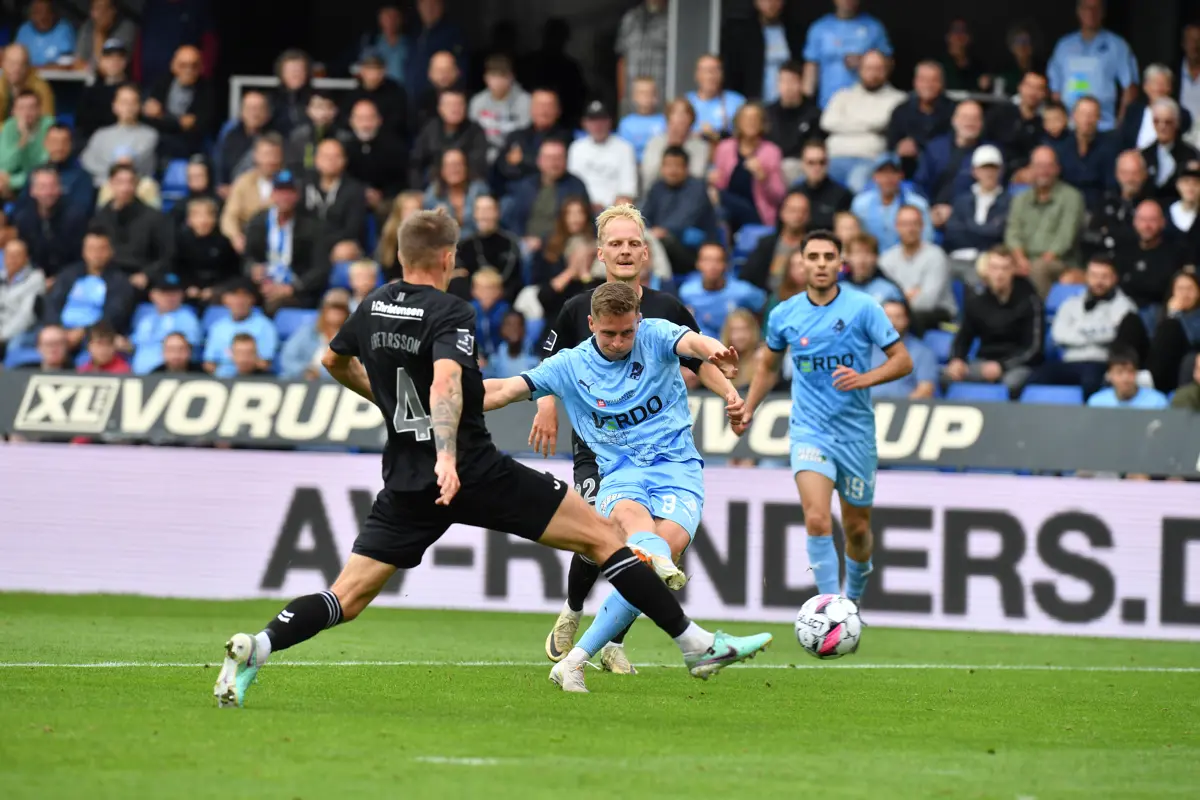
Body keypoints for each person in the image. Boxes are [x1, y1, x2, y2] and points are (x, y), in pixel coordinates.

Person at [214, 210, 772, 706]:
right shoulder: (451, 310)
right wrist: (450, 454)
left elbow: (334, 362)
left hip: (407, 480)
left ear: (401, 255)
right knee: (605, 539)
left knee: (347, 596)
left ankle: (259, 647)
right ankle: (696, 645)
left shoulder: (373, 303)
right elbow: (449, 385)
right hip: (473, 470)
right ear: (449, 257)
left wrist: (387, 402)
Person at [490, 280, 750, 689]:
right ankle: (688, 630)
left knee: (657, 555)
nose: (617, 342)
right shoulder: (570, 364)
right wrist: (453, 395)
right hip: (620, 470)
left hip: (677, 466)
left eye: (626, 332)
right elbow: (506, 389)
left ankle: (573, 661)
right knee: (638, 535)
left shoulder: (657, 334)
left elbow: (697, 345)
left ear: (638, 321)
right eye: (608, 333)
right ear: (592, 323)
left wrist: (715, 352)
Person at [531, 204, 747, 669]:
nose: (625, 251)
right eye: (616, 244)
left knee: (648, 547)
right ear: (600, 253)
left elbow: (700, 359)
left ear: (645, 253)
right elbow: (545, 369)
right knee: (597, 532)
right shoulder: (576, 309)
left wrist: (730, 391)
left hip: (659, 453)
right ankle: (572, 611)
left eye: (633, 243)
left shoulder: (666, 310)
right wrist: (547, 406)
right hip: (601, 447)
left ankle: (613, 641)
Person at [741, 230, 912, 612]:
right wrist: (749, 407)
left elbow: (903, 360)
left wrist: (865, 378)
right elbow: (767, 366)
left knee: (857, 529)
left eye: (828, 257)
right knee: (817, 518)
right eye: (813, 256)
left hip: (856, 434)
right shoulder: (784, 313)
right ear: (801, 263)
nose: (820, 264)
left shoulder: (864, 307)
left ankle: (854, 597)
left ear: (841, 262)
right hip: (810, 431)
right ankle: (832, 608)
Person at [1030, 255, 1137, 398]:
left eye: (1105, 276)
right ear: (1086, 277)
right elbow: (1058, 335)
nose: (1099, 281)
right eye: (1094, 276)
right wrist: (1096, 333)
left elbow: (1114, 335)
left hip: (1101, 362)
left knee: (1091, 381)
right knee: (1034, 379)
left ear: (1114, 278)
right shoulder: (1070, 303)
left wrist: (1078, 330)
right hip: (1069, 361)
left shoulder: (1125, 306)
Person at [944, 246, 1044, 396]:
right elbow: (963, 337)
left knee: (1011, 383)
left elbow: (1034, 349)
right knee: (947, 377)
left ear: (1013, 271)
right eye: (994, 268)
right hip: (984, 361)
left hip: (1017, 365)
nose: (999, 274)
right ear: (987, 271)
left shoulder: (1030, 301)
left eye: (1005, 268)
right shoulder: (977, 301)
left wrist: (1001, 366)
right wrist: (957, 359)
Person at [1004, 145, 1086, 296]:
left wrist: (1032, 264)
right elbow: (1012, 232)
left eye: (1049, 166)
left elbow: (1065, 238)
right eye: (1039, 166)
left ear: (1057, 169)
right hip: (1025, 259)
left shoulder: (1072, 197)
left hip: (1060, 262)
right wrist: (1021, 259)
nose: (1044, 171)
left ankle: (1037, 315)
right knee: (993, 262)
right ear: (1031, 169)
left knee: (1039, 268)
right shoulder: (1020, 199)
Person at [820, 50, 906, 192]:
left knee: (857, 182)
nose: (873, 74)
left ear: (887, 71)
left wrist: (844, 124)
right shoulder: (843, 95)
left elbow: (882, 122)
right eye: (868, 68)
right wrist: (869, 126)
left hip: (869, 160)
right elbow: (827, 123)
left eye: (878, 69)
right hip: (833, 157)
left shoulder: (897, 99)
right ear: (860, 70)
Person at [1047, 0, 1137, 132]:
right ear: (1078, 11)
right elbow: (1055, 89)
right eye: (1086, 8)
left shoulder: (1117, 45)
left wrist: (1121, 124)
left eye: (1096, 8)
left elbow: (1130, 87)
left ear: (1103, 13)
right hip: (1068, 128)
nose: (1091, 13)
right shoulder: (1064, 46)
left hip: (1104, 127)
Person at [244, 170, 328, 310]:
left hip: (296, 289)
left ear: (297, 195)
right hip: (263, 285)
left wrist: (292, 288)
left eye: (289, 192)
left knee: (273, 306)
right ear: (272, 194)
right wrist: (253, 269)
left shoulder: (312, 227)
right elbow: (248, 257)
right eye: (280, 192)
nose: (285, 197)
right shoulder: (258, 222)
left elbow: (321, 268)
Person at [42, 226, 135, 349]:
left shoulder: (120, 282)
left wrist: (83, 332)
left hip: (96, 336)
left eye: (101, 249)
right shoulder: (68, 275)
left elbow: (114, 315)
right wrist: (58, 330)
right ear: (83, 251)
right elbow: (53, 303)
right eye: (91, 249)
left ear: (111, 251)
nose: (96, 254)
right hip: (61, 333)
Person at [92, 163, 175, 290]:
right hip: (106, 278)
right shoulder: (100, 217)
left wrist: (147, 275)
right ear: (110, 183)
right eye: (120, 182)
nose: (125, 188)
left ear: (136, 184)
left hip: (140, 280)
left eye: (130, 182)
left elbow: (167, 255)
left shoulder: (154, 218)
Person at [639, 145, 718, 274]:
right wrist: (648, 232)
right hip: (659, 243)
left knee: (662, 243)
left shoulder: (697, 188)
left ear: (686, 168)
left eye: (677, 166)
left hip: (692, 251)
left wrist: (663, 231)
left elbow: (685, 219)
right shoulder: (657, 187)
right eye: (668, 166)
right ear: (662, 168)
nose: (672, 171)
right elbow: (644, 217)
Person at [710, 102, 787, 230]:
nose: (750, 122)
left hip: (757, 213)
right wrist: (713, 180)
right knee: (718, 204)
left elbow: (779, 196)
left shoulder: (772, 152)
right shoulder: (725, 148)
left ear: (762, 123)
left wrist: (764, 178)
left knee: (718, 195)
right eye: (746, 119)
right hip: (728, 212)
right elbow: (720, 186)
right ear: (738, 123)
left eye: (755, 119)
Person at [802, 0, 892, 110]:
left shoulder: (874, 28)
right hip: (827, 105)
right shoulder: (819, 28)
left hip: (865, 105)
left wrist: (864, 62)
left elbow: (888, 63)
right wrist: (805, 103)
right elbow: (811, 68)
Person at [878, 205, 956, 332]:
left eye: (914, 223)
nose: (910, 229)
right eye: (904, 224)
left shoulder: (936, 256)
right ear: (896, 227)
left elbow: (927, 302)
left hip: (937, 314)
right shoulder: (886, 258)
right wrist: (909, 295)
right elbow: (883, 297)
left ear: (922, 226)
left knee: (910, 319)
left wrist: (901, 300)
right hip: (898, 314)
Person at [678, 242, 768, 339]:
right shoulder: (686, 292)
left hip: (734, 346)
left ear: (725, 265)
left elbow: (765, 307)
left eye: (718, 260)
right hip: (702, 347)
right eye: (707, 260)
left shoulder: (743, 291)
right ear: (698, 264)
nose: (713, 266)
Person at [914, 99, 989, 211]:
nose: (970, 122)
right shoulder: (935, 148)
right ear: (954, 120)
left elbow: (990, 193)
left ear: (981, 123)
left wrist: (956, 213)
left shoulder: (989, 153)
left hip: (970, 218)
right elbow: (920, 185)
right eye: (965, 117)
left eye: (975, 118)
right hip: (932, 214)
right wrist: (931, 211)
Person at [722, 0, 804, 102]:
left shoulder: (794, 32)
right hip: (754, 103)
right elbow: (733, 73)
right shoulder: (742, 33)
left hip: (786, 104)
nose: (770, 4)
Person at [14, 166, 88, 279]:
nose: (48, 192)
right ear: (32, 191)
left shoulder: (75, 217)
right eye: (42, 187)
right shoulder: (24, 219)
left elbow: (80, 258)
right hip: (35, 278)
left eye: (52, 186)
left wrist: (57, 280)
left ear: (60, 189)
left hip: (69, 277)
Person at [141, 45, 213, 159]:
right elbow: (149, 119)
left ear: (201, 68)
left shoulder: (207, 91)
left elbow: (199, 126)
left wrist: (161, 116)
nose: (188, 70)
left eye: (193, 66)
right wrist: (179, 123)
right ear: (173, 66)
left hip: (189, 148)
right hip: (158, 144)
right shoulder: (161, 84)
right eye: (183, 65)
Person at [1115, 199, 1190, 309]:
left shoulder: (1176, 253)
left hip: (1157, 309)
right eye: (1142, 220)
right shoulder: (1124, 248)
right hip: (1122, 306)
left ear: (1162, 222)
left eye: (1152, 220)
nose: (1146, 226)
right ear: (1135, 222)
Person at [943, 145, 1012, 264]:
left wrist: (970, 229)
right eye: (984, 168)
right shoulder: (961, 201)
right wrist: (985, 233)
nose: (989, 173)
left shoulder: (1009, 202)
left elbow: (1000, 235)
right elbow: (953, 234)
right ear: (974, 171)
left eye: (993, 168)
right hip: (959, 258)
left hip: (992, 261)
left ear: (1001, 171)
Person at [79, 84, 158, 187]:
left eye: (133, 103)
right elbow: (88, 162)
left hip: (137, 187)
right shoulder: (100, 135)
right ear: (115, 106)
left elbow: (141, 164)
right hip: (104, 186)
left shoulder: (150, 135)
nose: (128, 107)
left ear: (139, 106)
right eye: (124, 102)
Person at [886, 61, 954, 179]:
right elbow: (891, 144)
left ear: (941, 84)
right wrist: (900, 147)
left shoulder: (953, 110)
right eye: (923, 80)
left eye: (934, 80)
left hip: (942, 166)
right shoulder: (901, 111)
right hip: (909, 167)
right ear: (915, 82)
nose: (928, 85)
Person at [852, 154, 932, 253]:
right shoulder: (860, 204)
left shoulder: (918, 204)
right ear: (875, 177)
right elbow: (855, 238)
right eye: (883, 173)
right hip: (870, 260)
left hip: (907, 257)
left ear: (901, 175)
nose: (888, 178)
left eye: (893, 172)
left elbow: (927, 238)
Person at [569, 101, 638, 212]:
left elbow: (628, 189)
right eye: (593, 121)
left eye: (602, 120)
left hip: (614, 210)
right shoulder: (576, 148)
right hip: (584, 209)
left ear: (609, 122)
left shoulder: (625, 148)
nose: (598, 125)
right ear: (585, 123)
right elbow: (573, 184)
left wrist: (610, 207)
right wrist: (588, 205)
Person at [220, 134, 285, 253]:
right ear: (256, 156)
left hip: (283, 243)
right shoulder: (243, 182)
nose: (270, 160)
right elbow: (229, 216)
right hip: (250, 243)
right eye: (265, 155)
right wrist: (235, 236)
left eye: (274, 155)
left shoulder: (289, 182)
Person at [1053, 95, 1119, 211]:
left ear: (1099, 118)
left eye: (1092, 115)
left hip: (1096, 210)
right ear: (1073, 117)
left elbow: (1111, 186)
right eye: (1083, 114)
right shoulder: (1061, 147)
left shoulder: (1109, 148)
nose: (1087, 120)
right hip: (1064, 208)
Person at [129, 272, 203, 374]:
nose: (170, 297)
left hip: (166, 375)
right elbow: (135, 344)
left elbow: (190, 354)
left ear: (182, 295)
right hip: (137, 376)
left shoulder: (188, 318)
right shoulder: (145, 315)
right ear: (153, 294)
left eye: (174, 293)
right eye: (165, 293)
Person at [202, 279, 278, 377]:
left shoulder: (265, 326)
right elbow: (208, 363)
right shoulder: (217, 327)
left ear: (252, 299)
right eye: (234, 296)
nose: (239, 301)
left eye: (244, 296)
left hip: (253, 378)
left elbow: (265, 364)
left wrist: (242, 363)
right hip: (221, 379)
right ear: (225, 299)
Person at [984, 71, 1048, 183]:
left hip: (1026, 180)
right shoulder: (999, 113)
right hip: (994, 171)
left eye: (1039, 88)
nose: (1033, 92)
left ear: (1044, 93)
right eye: (1029, 86)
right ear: (1020, 87)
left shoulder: (1044, 123)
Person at [454, 194, 521, 301]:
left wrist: (490, 291)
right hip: (470, 302)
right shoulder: (464, 246)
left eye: (488, 209)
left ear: (497, 213)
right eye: (479, 209)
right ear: (474, 214)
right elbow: (460, 278)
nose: (483, 214)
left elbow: (512, 281)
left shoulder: (510, 244)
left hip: (503, 301)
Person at [172, 197, 238, 304]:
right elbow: (176, 269)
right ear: (189, 219)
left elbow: (232, 272)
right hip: (187, 291)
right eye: (197, 215)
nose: (203, 220)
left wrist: (215, 289)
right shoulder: (180, 241)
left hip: (217, 291)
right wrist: (187, 287)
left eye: (208, 215)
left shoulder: (224, 242)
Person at [741, 189, 810, 292]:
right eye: (793, 210)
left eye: (802, 211)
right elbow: (747, 276)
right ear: (782, 213)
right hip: (769, 300)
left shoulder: (814, 246)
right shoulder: (766, 244)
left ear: (808, 216)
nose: (797, 216)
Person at [469, 54, 531, 165]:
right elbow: (472, 133)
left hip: (513, 153)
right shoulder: (477, 101)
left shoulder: (525, 101)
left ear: (511, 77)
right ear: (486, 78)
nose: (497, 81)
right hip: (484, 154)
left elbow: (526, 134)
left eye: (502, 76)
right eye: (493, 76)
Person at [870, 300, 937, 399]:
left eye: (898, 317)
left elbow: (925, 390)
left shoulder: (922, 353)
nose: (892, 322)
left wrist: (901, 410)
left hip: (902, 410)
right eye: (887, 317)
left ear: (907, 320)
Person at [639, 97, 709, 192]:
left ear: (691, 119)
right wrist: (670, 145)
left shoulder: (701, 146)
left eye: (685, 113)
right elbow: (649, 175)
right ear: (668, 118)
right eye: (676, 113)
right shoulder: (655, 142)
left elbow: (697, 175)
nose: (681, 117)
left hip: (688, 195)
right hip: (658, 193)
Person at [279, 288, 352, 380]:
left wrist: (320, 373)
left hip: (334, 385)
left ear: (347, 313)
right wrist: (305, 371)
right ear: (324, 310)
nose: (336, 313)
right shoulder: (308, 332)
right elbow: (288, 357)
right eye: (332, 308)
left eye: (341, 310)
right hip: (301, 380)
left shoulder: (351, 338)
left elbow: (351, 369)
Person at [1120, 65, 1194, 152]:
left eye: (1164, 84)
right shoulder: (1133, 112)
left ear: (1170, 88)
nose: (1159, 89)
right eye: (1155, 83)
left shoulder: (1181, 115)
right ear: (1145, 87)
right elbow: (1124, 142)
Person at [1140, 98, 1199, 204]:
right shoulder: (1144, 155)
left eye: (1168, 122)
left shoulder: (1190, 155)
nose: (1162, 127)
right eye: (1157, 121)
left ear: (1176, 123)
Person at [421, 148, 490, 237]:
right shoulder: (432, 193)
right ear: (442, 170)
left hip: (478, 242)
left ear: (466, 168)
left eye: (458, 165)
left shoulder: (479, 189)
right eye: (449, 166)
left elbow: (488, 224)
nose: (454, 169)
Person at [615, 1, 668, 113]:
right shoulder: (630, 18)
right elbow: (622, 61)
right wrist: (621, 95)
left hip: (661, 98)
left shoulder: (672, 19)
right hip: (631, 97)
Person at [341, 53, 409, 140]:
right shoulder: (353, 94)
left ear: (384, 71)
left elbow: (399, 121)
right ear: (362, 71)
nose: (373, 74)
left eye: (377, 69)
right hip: (356, 140)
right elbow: (345, 119)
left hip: (388, 140)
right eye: (369, 69)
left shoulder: (396, 92)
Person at [216, 91, 274, 191]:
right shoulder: (231, 136)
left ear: (267, 113)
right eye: (250, 109)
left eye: (259, 109)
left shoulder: (276, 138)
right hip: (234, 191)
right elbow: (221, 167)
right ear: (242, 112)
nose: (254, 113)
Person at [0, 90, 53, 198]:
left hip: (42, 182)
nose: (26, 113)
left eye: (31, 108)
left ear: (39, 110)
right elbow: (4, 164)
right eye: (21, 108)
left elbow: (44, 164)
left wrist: (11, 181)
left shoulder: (49, 126)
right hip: (11, 181)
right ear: (13, 111)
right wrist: (23, 139)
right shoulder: (9, 126)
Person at [0, 238, 46, 358]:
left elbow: (26, 316)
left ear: (26, 258)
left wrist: (3, 335)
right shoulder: (1, 276)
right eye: (9, 255)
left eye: (17, 255)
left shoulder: (35, 278)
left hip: (25, 330)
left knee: (14, 347)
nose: (12, 260)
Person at [687, 54, 747, 140]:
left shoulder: (737, 102)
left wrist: (717, 135)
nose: (710, 76)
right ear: (696, 75)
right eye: (705, 71)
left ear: (722, 75)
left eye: (715, 71)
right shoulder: (687, 102)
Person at [1087, 346, 1169, 408]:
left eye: (1130, 371)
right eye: (1119, 372)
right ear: (1109, 375)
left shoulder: (1157, 402)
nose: (1125, 378)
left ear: (1137, 372)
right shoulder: (1096, 403)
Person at [841, 232, 903, 304]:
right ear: (847, 257)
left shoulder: (889, 290)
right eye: (857, 253)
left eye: (867, 253)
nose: (862, 259)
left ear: (876, 257)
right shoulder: (838, 291)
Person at [617, 76, 667, 165]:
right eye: (641, 93)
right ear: (634, 96)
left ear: (657, 96)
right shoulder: (626, 123)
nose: (646, 97)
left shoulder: (665, 121)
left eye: (650, 93)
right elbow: (623, 152)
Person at [75, 0, 137, 72]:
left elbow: (109, 69)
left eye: (102, 8)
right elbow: (78, 64)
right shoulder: (87, 27)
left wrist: (100, 33)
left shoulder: (126, 28)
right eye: (95, 9)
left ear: (113, 11)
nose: (97, 14)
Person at [0, 44, 55, 123]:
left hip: (33, 132)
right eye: (11, 63)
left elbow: (48, 122)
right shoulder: (1, 85)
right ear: (3, 64)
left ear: (28, 66)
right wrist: (10, 130)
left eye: (21, 64)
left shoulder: (40, 88)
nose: (16, 69)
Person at [286, 91, 338, 173]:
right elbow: (293, 165)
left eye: (327, 107)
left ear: (335, 111)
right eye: (318, 107)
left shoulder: (343, 138)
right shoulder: (298, 137)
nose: (322, 113)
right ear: (308, 110)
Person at [16, 0, 76, 67]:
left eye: (45, 12)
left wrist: (34, 70)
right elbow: (16, 62)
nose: (42, 16)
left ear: (52, 14)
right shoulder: (24, 30)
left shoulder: (64, 28)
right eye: (37, 12)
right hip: (27, 76)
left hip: (56, 77)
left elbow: (66, 66)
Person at [482, 309, 538, 378]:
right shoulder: (494, 361)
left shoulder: (535, 361)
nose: (514, 328)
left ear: (524, 329)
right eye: (509, 325)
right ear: (501, 330)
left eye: (518, 324)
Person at [270, 50, 314, 136]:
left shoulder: (317, 98)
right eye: (290, 70)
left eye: (299, 70)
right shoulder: (271, 99)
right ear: (281, 73)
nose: (295, 74)